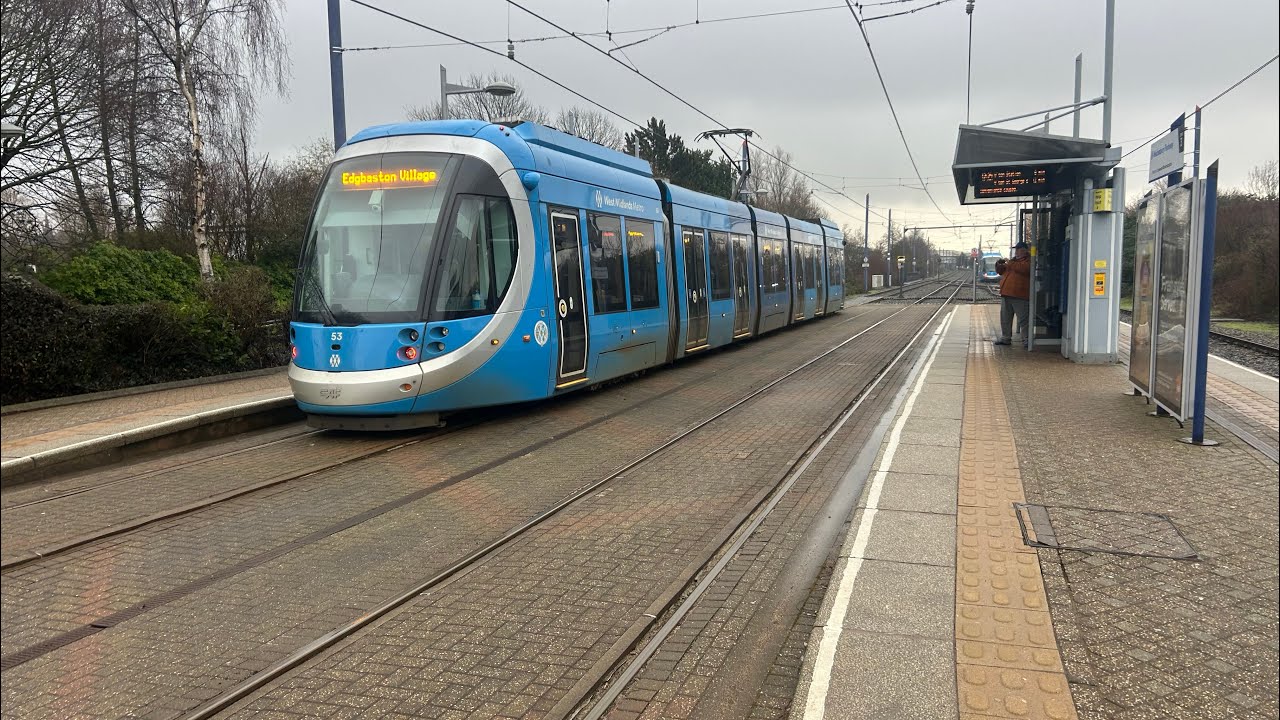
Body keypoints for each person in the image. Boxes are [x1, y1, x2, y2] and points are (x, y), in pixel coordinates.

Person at [993, 242, 1031, 346]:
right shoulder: (1013, 261)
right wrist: (998, 264)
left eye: (1018, 249)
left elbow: (1024, 269)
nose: (1016, 251)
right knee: (1005, 318)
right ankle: (1005, 338)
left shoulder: (1028, 260)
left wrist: (1009, 262)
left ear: (1024, 250)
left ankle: (1026, 340)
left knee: (1023, 319)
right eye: (1016, 249)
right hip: (1006, 293)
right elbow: (1000, 271)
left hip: (1020, 295)